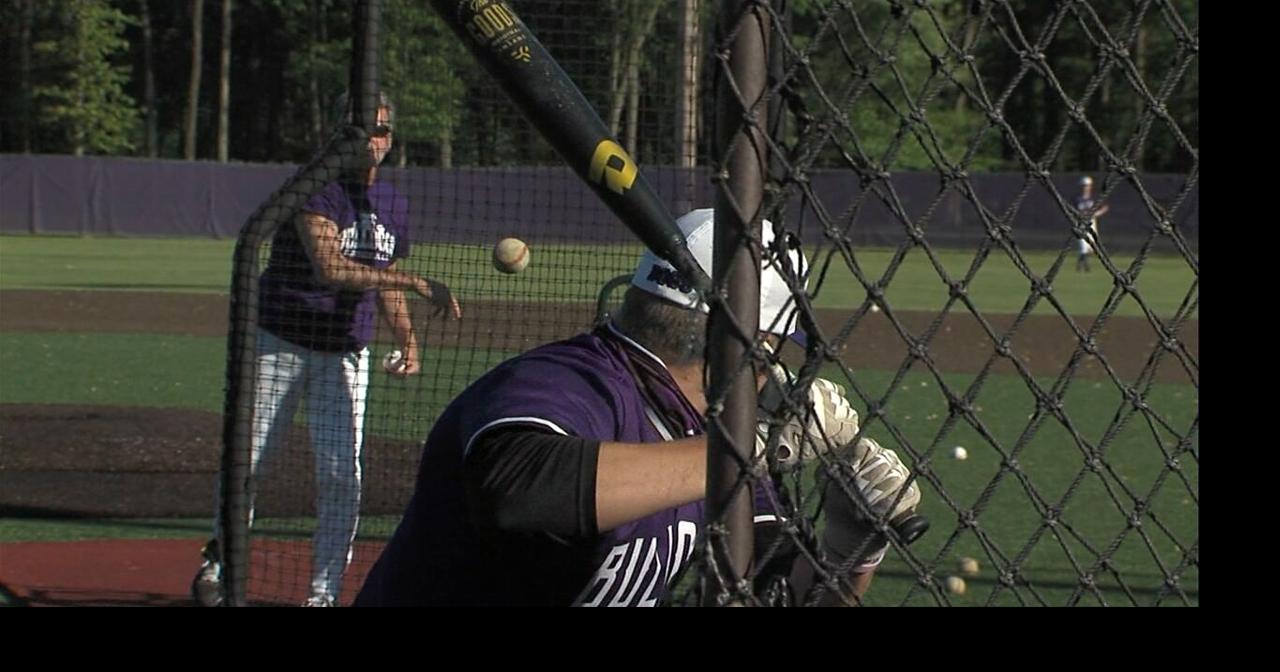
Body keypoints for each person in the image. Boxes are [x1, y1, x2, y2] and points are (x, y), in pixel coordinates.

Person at [353, 208, 922, 607]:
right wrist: (749, 449)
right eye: (772, 350)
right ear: (746, 347)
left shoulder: (710, 431)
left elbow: (775, 592)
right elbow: (518, 490)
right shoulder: (568, 383)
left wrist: (850, 548)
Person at [192, 92, 463, 607]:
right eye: (366, 129)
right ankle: (220, 563)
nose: (376, 140)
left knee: (342, 475)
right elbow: (330, 267)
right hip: (281, 345)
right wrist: (416, 282)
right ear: (342, 134)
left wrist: (408, 340)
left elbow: (381, 277)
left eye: (384, 130)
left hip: (345, 353)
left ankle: (322, 596)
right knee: (250, 460)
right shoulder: (315, 187)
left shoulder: (393, 204)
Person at [1075, 175, 1109, 272]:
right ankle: (1084, 266)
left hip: (1092, 223)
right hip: (1081, 223)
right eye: (1084, 185)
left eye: (1087, 185)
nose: (1085, 187)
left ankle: (1080, 263)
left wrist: (1096, 214)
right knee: (1083, 246)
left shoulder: (1094, 198)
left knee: (1092, 246)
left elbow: (1105, 207)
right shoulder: (1077, 198)